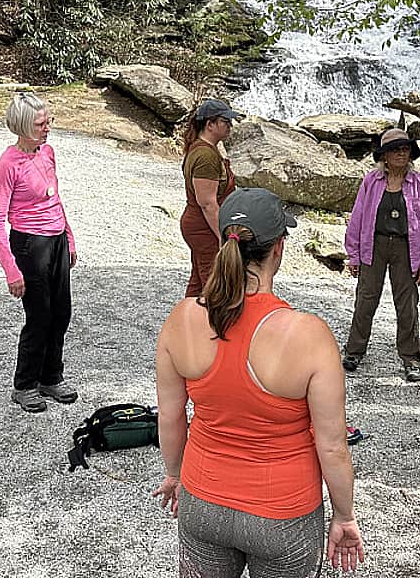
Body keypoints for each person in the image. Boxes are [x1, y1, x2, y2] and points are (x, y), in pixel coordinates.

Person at [153, 188, 366, 577]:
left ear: (222, 243)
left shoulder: (182, 317)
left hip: (202, 501)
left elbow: (170, 416)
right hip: (283, 513)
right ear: (279, 248)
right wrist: (344, 516)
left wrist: (173, 475)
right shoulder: (308, 335)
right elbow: (332, 446)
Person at [0, 92, 78, 414]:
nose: (48, 128)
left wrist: (68, 236)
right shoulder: (7, 165)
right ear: (24, 126)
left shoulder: (48, 153)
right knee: (39, 316)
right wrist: (11, 270)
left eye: (48, 121)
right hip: (29, 244)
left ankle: (51, 377)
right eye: (41, 123)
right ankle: (24, 385)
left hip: (55, 240)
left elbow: (55, 198)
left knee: (61, 313)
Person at [342, 128, 420, 382]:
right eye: (395, 149)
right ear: (384, 155)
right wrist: (354, 253)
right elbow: (358, 216)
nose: (401, 153)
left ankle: (410, 358)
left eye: (405, 149)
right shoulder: (371, 181)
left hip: (406, 247)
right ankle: (354, 350)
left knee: (407, 304)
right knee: (366, 298)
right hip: (375, 244)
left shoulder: (419, 183)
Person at [179, 98, 242, 297]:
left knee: (198, 282)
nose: (230, 126)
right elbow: (207, 204)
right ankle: (210, 326)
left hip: (199, 225)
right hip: (203, 227)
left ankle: (184, 325)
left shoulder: (203, 149)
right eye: (226, 121)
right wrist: (223, 237)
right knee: (213, 286)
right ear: (210, 124)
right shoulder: (205, 156)